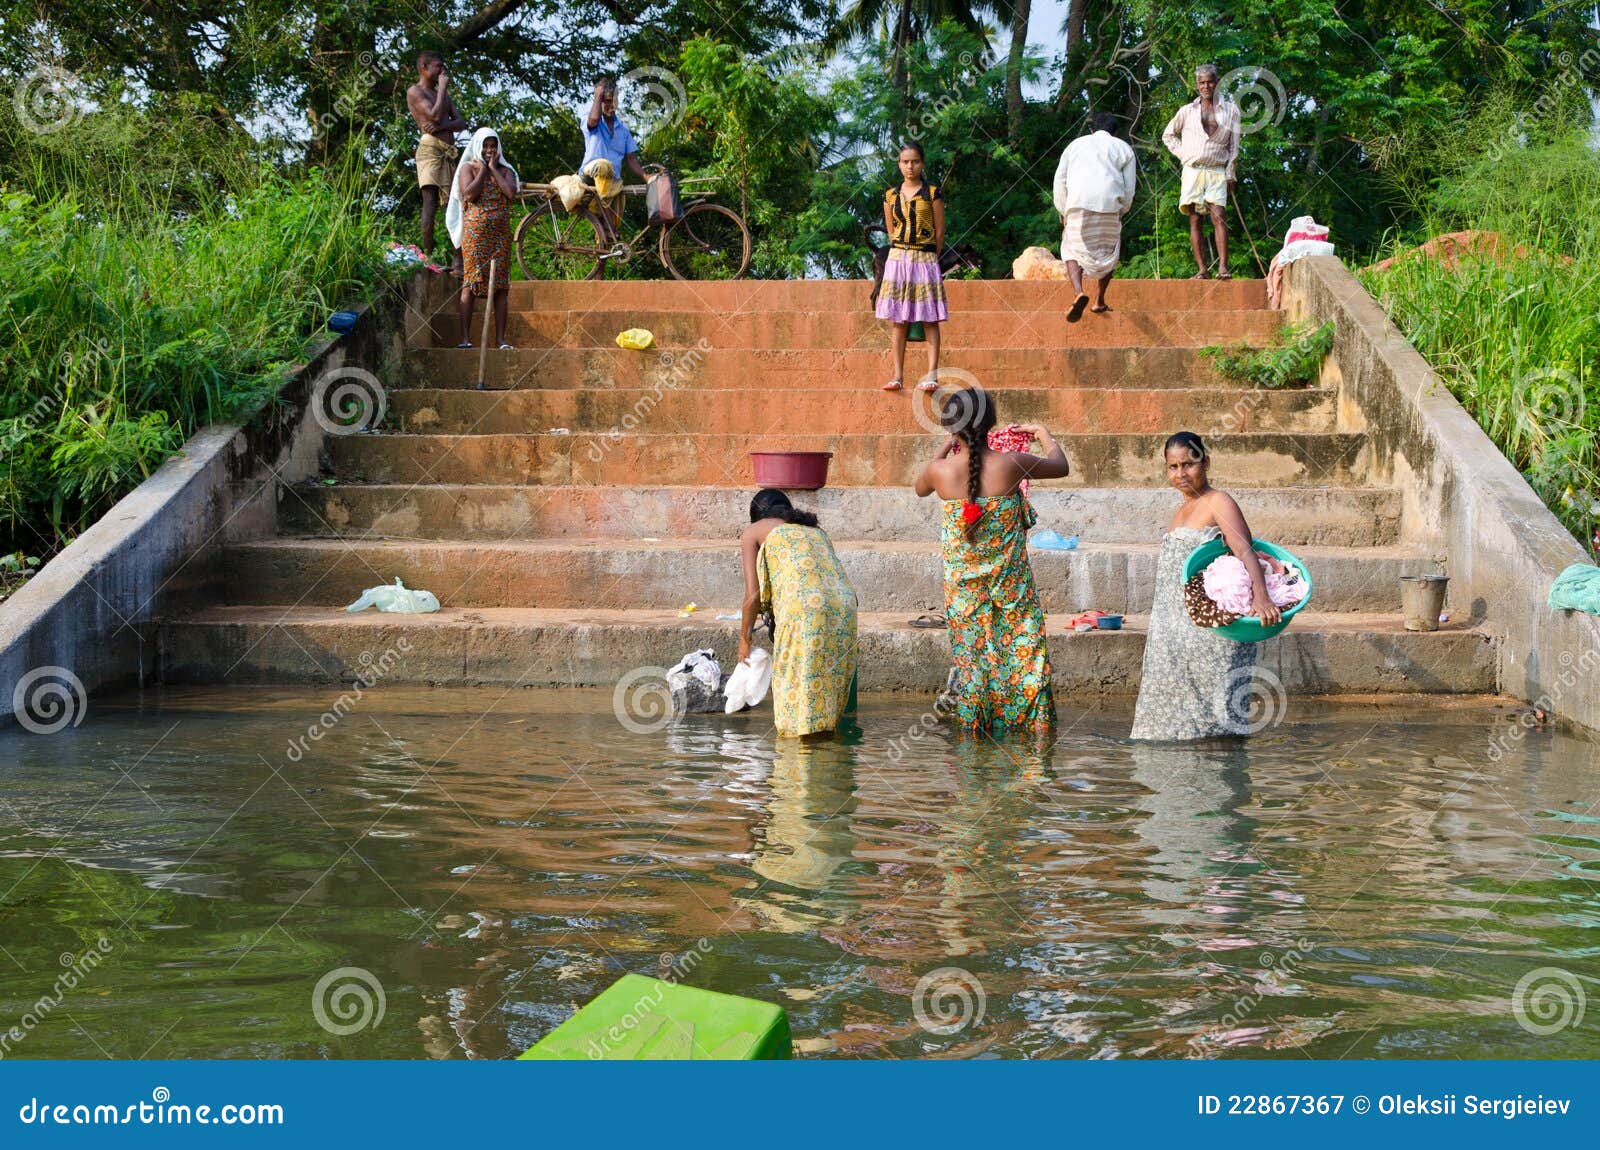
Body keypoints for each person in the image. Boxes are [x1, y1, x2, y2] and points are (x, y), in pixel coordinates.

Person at [914, 387, 1068, 731]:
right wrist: (1045, 435)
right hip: (1012, 590)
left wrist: (946, 444)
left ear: (952, 427)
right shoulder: (1013, 463)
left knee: (973, 663)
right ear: (991, 424)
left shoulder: (939, 471)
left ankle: (976, 734)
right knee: (1023, 656)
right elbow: (1061, 467)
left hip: (964, 597)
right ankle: (1032, 734)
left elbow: (919, 487)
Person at [1130, 432, 1280, 741]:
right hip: (1177, 628)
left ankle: (1221, 783)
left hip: (1212, 631)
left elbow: (1244, 549)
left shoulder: (1218, 501)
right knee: (1177, 719)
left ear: (1205, 462)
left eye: (1189, 464)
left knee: (1218, 714)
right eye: (1173, 467)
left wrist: (1262, 598)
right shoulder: (1181, 511)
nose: (1181, 474)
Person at [738, 489, 859, 738]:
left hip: (804, 608)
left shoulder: (754, 531)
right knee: (827, 684)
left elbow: (753, 596)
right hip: (846, 606)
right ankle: (826, 753)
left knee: (794, 685)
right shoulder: (815, 530)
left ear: (756, 515)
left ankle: (797, 762)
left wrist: (744, 639)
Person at [876, 143, 948, 393]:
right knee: (898, 319)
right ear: (899, 164)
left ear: (922, 163)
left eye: (915, 161)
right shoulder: (890, 196)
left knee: (929, 318)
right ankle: (897, 375)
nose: (910, 166)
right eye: (905, 162)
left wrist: (931, 258)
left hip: (925, 259)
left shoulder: (932, 193)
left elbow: (940, 230)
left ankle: (932, 375)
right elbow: (890, 229)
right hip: (898, 259)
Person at [1052, 113, 1137, 321]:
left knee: (1070, 249)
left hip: (1078, 203)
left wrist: (1063, 210)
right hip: (1110, 205)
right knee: (1108, 253)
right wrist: (1121, 210)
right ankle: (1099, 300)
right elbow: (1129, 187)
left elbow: (1060, 179)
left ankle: (1079, 292)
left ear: (1092, 129)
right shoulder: (1123, 148)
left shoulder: (1075, 145)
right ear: (1115, 132)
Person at [1161, 65, 1241, 280]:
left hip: (1217, 170)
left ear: (1218, 81)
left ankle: (1223, 267)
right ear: (1197, 85)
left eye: (1210, 81)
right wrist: (1184, 154)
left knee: (1219, 217)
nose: (1207, 86)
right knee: (1195, 220)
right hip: (1192, 170)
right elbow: (1168, 135)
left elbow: (1234, 146)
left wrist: (1231, 173)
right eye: (1202, 82)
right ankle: (1202, 270)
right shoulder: (1187, 111)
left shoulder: (1231, 110)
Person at [446, 128, 517, 350]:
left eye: (493, 146)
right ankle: (465, 338)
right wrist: (483, 171)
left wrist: (493, 168)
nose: (489, 150)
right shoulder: (468, 168)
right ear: (478, 146)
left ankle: (500, 340)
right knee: (471, 283)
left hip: (500, 237)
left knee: (501, 287)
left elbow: (510, 193)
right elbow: (469, 194)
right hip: (476, 236)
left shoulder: (505, 170)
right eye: (486, 146)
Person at [581, 76, 655, 275]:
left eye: (612, 100)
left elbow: (631, 160)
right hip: (592, 173)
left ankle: (599, 276)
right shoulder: (592, 120)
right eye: (605, 101)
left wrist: (646, 177)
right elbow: (593, 120)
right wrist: (598, 96)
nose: (609, 105)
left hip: (612, 184)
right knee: (604, 165)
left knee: (609, 233)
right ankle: (604, 211)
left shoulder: (623, 130)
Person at [406, 51, 469, 272]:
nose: (443, 72)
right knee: (430, 204)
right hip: (430, 151)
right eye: (438, 67)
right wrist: (442, 88)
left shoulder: (443, 96)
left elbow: (461, 122)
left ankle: (458, 260)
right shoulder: (415, 91)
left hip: (448, 152)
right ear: (424, 67)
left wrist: (442, 127)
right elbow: (432, 116)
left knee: (455, 203)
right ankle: (428, 258)